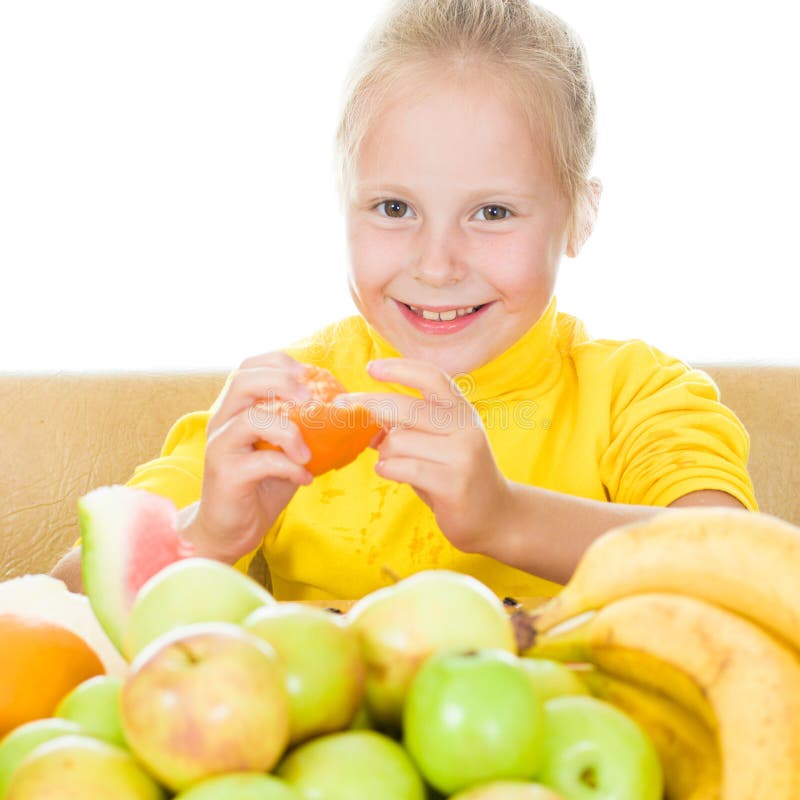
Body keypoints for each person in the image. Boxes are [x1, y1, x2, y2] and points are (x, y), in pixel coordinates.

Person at [52, 0, 756, 600]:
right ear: (343, 205)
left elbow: (749, 563)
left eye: (493, 213)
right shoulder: (285, 402)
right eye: (394, 207)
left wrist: (504, 518)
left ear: (580, 216)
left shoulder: (634, 395)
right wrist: (206, 533)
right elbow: (63, 597)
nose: (438, 264)